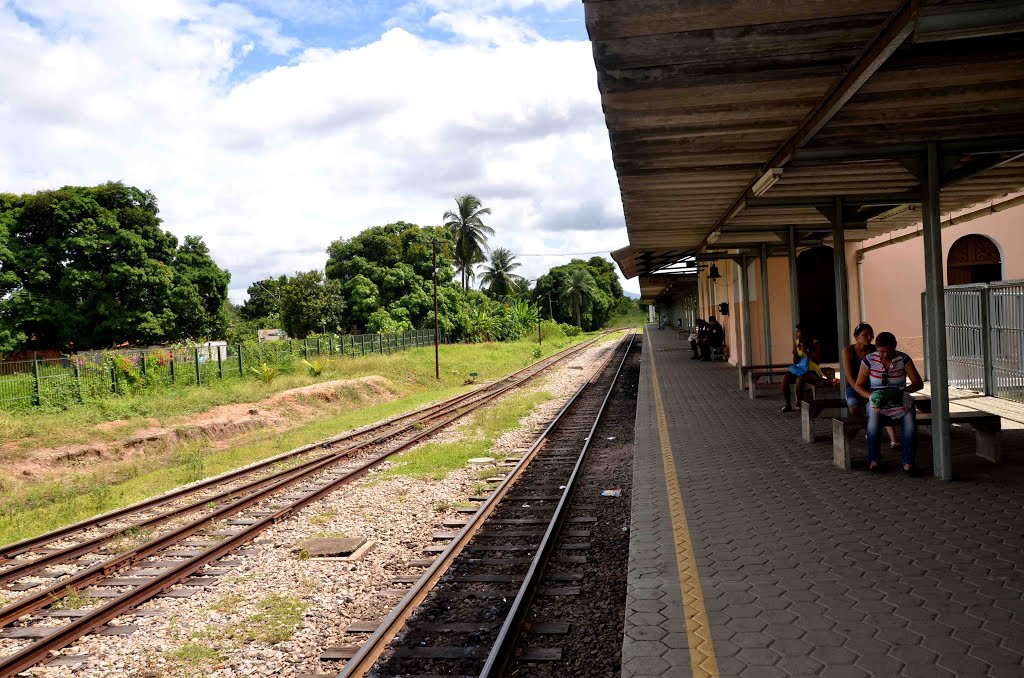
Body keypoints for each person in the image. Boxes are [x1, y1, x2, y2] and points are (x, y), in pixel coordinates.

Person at [854, 331, 924, 474]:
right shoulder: (868, 360)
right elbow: (858, 385)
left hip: (900, 401)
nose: (885, 355)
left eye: (889, 352)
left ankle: (908, 462)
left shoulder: (903, 359)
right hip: (876, 401)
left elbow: (918, 383)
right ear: (877, 348)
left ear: (895, 347)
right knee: (873, 425)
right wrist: (871, 396)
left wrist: (901, 392)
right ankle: (874, 460)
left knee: (910, 425)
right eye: (881, 352)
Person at [842, 323, 897, 448]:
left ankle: (894, 439)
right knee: (853, 407)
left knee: (882, 404)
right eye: (865, 335)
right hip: (855, 386)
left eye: (871, 335)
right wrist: (861, 392)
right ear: (856, 336)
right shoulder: (848, 351)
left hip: (874, 385)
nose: (869, 337)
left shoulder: (875, 350)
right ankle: (868, 430)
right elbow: (849, 377)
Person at [780, 323, 823, 412]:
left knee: (799, 381)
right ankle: (788, 405)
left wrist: (806, 352)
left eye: (798, 332)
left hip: (812, 371)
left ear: (804, 332)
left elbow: (818, 361)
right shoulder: (796, 343)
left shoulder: (815, 343)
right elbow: (795, 362)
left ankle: (798, 404)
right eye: (796, 332)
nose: (796, 334)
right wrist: (795, 354)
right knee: (785, 379)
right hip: (800, 370)